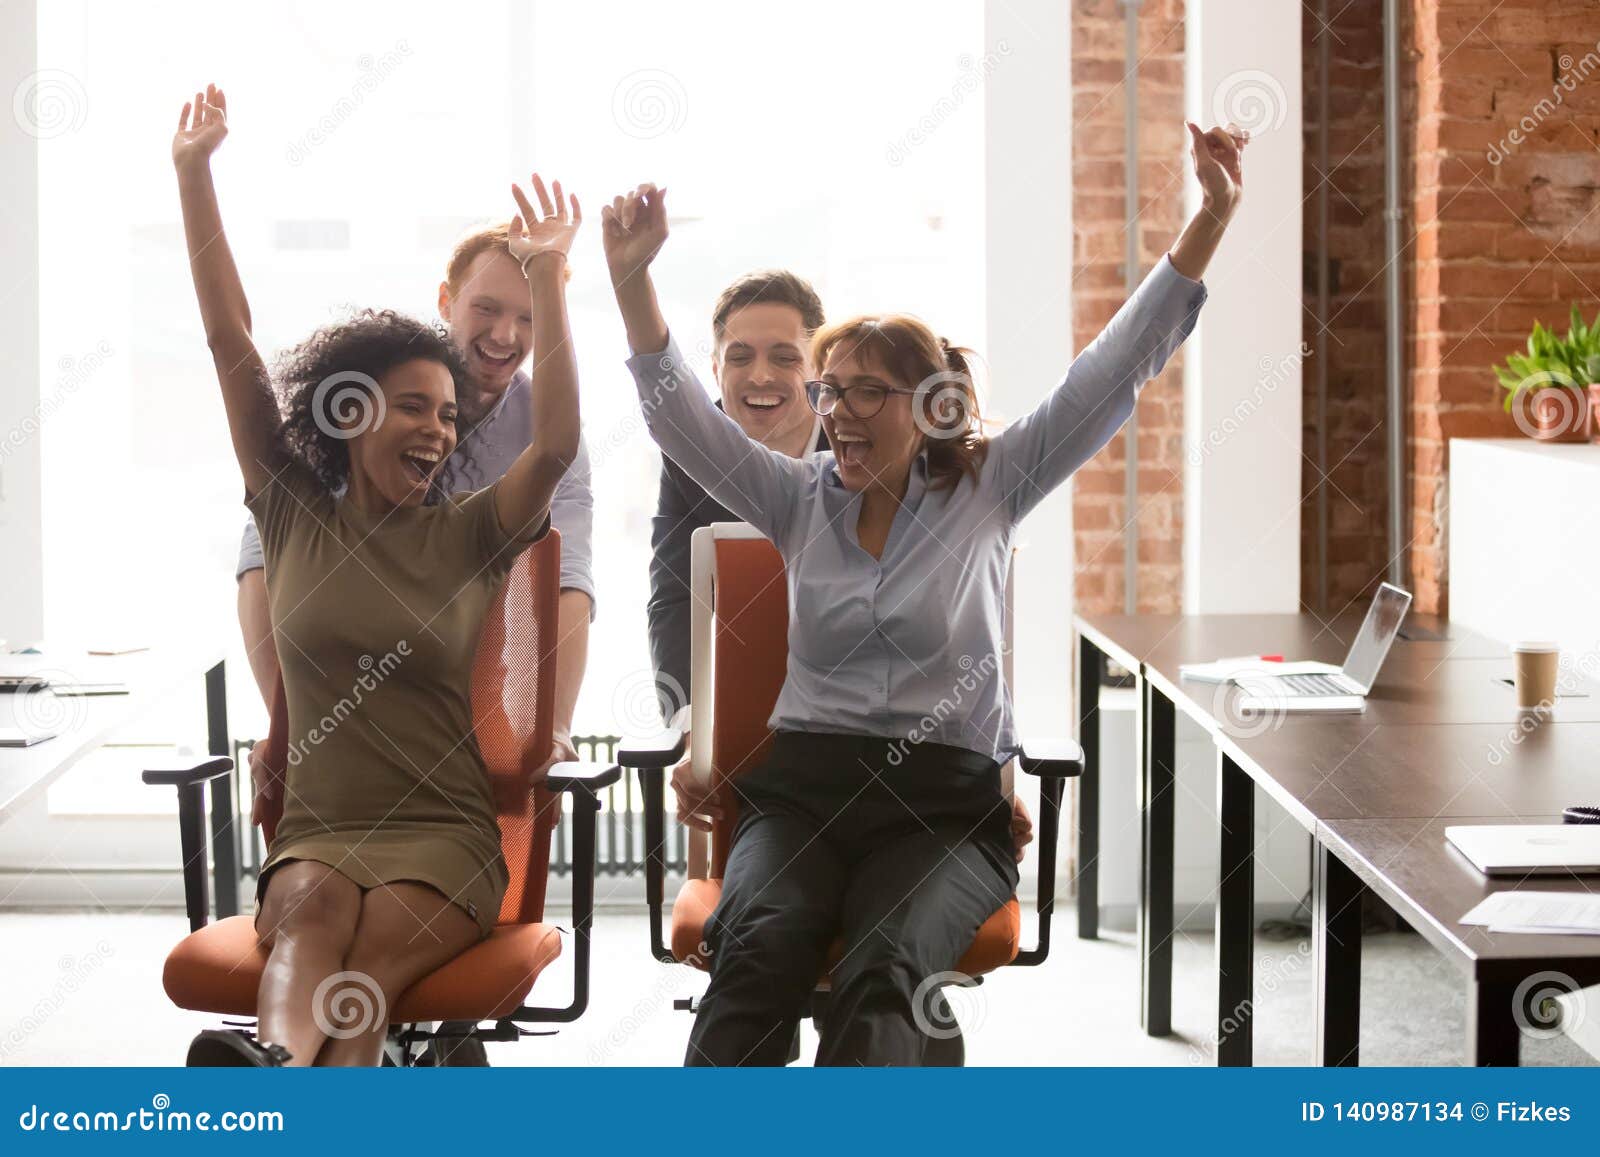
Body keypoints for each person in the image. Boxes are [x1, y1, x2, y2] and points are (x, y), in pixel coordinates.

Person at [602, 120, 1244, 1066]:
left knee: (885, 966)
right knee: (755, 953)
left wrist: (1214, 213)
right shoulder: (795, 497)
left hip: (943, 808)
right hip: (802, 797)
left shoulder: (992, 484)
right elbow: (679, 418)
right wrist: (631, 282)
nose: (838, 412)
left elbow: (1114, 366)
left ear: (932, 403)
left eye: (867, 392)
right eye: (829, 392)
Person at [173, 84, 582, 1066]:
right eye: (414, 408)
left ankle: (273, 1093)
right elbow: (231, 339)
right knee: (312, 907)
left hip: (442, 835)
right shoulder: (287, 505)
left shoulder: (470, 532)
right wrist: (193, 174)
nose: (439, 430)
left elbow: (558, 442)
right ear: (350, 413)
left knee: (371, 959)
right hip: (320, 826)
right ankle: (284, 1073)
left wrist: (554, 278)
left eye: (448, 416)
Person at [237, 225, 597, 808]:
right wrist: (287, 724)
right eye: (486, 308)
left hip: (465, 697)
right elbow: (268, 562)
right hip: (337, 697)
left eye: (528, 318)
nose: (506, 335)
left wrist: (552, 727)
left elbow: (567, 580)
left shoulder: (548, 433)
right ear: (445, 302)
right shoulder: (361, 395)